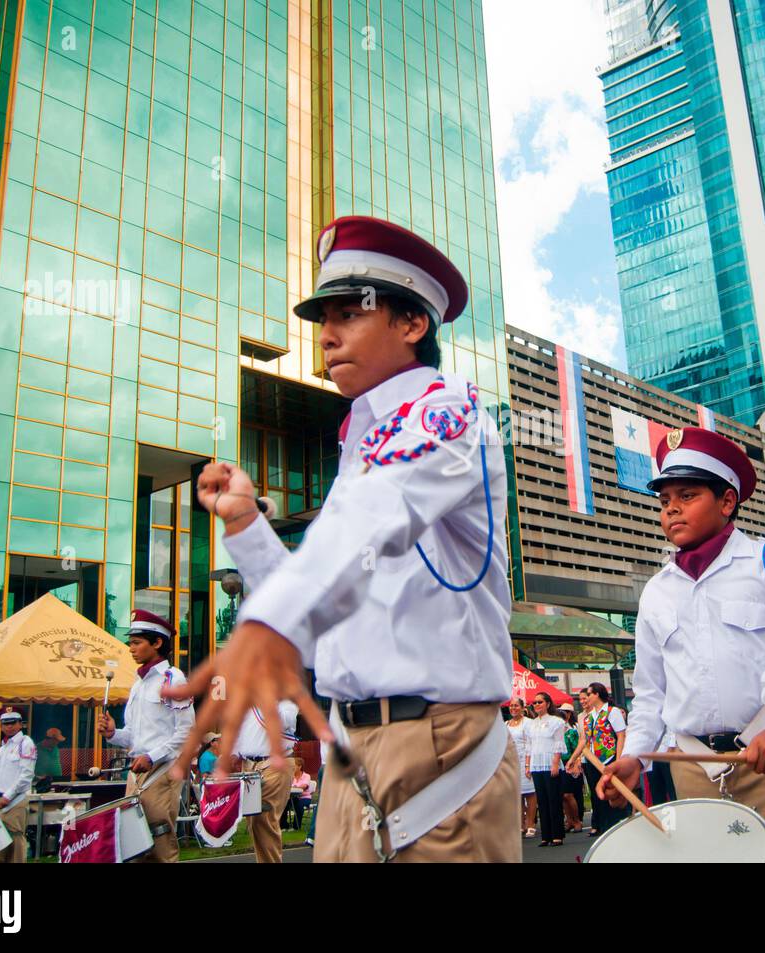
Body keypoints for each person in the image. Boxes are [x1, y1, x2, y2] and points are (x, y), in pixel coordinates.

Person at [166, 215, 520, 863]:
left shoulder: (450, 409)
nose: (325, 336)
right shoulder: (365, 445)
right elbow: (324, 605)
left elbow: (370, 517)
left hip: (438, 741)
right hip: (349, 747)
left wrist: (263, 625)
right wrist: (247, 526)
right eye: (321, 318)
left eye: (348, 314)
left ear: (412, 323)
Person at [598, 428, 765, 863]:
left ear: (727, 502)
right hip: (693, 770)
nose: (672, 507)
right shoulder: (656, 592)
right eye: (664, 500)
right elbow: (651, 694)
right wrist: (634, 757)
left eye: (688, 495)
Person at [97, 609, 194, 863]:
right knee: (137, 848)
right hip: (136, 773)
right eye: (131, 643)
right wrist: (112, 733)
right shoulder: (138, 684)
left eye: (137, 643)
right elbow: (133, 735)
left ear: (158, 643)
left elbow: (185, 732)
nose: (131, 649)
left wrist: (151, 757)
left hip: (162, 772)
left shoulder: (173, 678)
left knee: (160, 848)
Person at [231, 701, 300, 863]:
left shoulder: (285, 699)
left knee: (264, 819)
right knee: (255, 822)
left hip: (276, 763)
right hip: (248, 765)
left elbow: (284, 722)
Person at [566, 682, 628, 836]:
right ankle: (603, 827)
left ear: (597, 695)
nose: (587, 698)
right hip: (593, 761)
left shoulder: (612, 712)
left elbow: (621, 736)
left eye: (589, 694)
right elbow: (583, 741)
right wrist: (572, 759)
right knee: (597, 794)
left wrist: (618, 759)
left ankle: (615, 826)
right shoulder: (588, 717)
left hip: (609, 758)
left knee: (611, 793)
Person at [0, 708, 37, 863]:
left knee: (15, 842)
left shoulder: (25, 743)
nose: (9, 727)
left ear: (20, 724)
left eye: (12, 723)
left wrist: (8, 796)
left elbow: (26, 776)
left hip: (15, 800)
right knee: (0, 844)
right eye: (5, 724)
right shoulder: (3, 748)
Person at [527, 692, 568, 846]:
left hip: (550, 763)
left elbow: (558, 743)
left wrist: (556, 763)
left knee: (554, 799)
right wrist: (528, 765)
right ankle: (546, 835)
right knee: (542, 801)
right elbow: (529, 746)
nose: (536, 705)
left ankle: (557, 834)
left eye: (539, 702)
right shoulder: (531, 723)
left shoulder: (556, 722)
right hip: (536, 764)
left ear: (548, 704)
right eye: (534, 703)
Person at [506, 699, 537, 836]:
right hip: (511, 762)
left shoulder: (528, 723)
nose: (513, 708)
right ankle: (521, 823)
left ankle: (531, 823)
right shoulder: (506, 724)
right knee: (516, 794)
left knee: (529, 793)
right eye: (511, 706)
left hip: (526, 759)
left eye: (516, 706)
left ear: (522, 708)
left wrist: (528, 764)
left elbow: (531, 743)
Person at [558, 703, 583, 833]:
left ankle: (577, 820)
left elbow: (577, 749)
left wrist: (575, 762)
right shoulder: (556, 731)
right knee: (563, 795)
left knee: (569, 794)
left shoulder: (571, 731)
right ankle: (570, 821)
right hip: (559, 763)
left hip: (570, 763)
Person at [33, 727, 64, 791]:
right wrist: (37, 777)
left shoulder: (56, 749)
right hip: (39, 785)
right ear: (49, 739)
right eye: (56, 740)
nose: (57, 742)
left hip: (55, 784)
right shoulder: (35, 750)